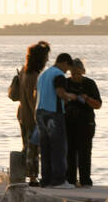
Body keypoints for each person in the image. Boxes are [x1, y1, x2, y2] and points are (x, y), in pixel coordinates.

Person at [10, 40, 50, 185]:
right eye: (45, 57)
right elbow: (33, 99)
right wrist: (40, 118)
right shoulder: (34, 75)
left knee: (27, 145)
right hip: (31, 116)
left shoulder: (23, 70)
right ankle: (32, 177)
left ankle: (21, 174)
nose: (47, 60)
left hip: (22, 113)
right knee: (33, 148)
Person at [35, 51, 76, 187]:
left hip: (40, 112)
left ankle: (46, 180)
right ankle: (59, 180)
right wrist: (70, 97)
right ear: (64, 63)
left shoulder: (43, 74)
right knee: (58, 147)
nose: (67, 71)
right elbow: (60, 93)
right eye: (67, 68)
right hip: (53, 112)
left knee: (45, 148)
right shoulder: (59, 74)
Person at [65, 57, 102, 186]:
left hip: (86, 122)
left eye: (78, 72)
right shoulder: (65, 83)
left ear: (83, 71)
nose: (75, 75)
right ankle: (70, 180)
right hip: (68, 122)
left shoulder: (89, 84)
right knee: (69, 152)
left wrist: (86, 98)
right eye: (73, 72)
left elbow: (98, 104)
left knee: (85, 152)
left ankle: (85, 180)